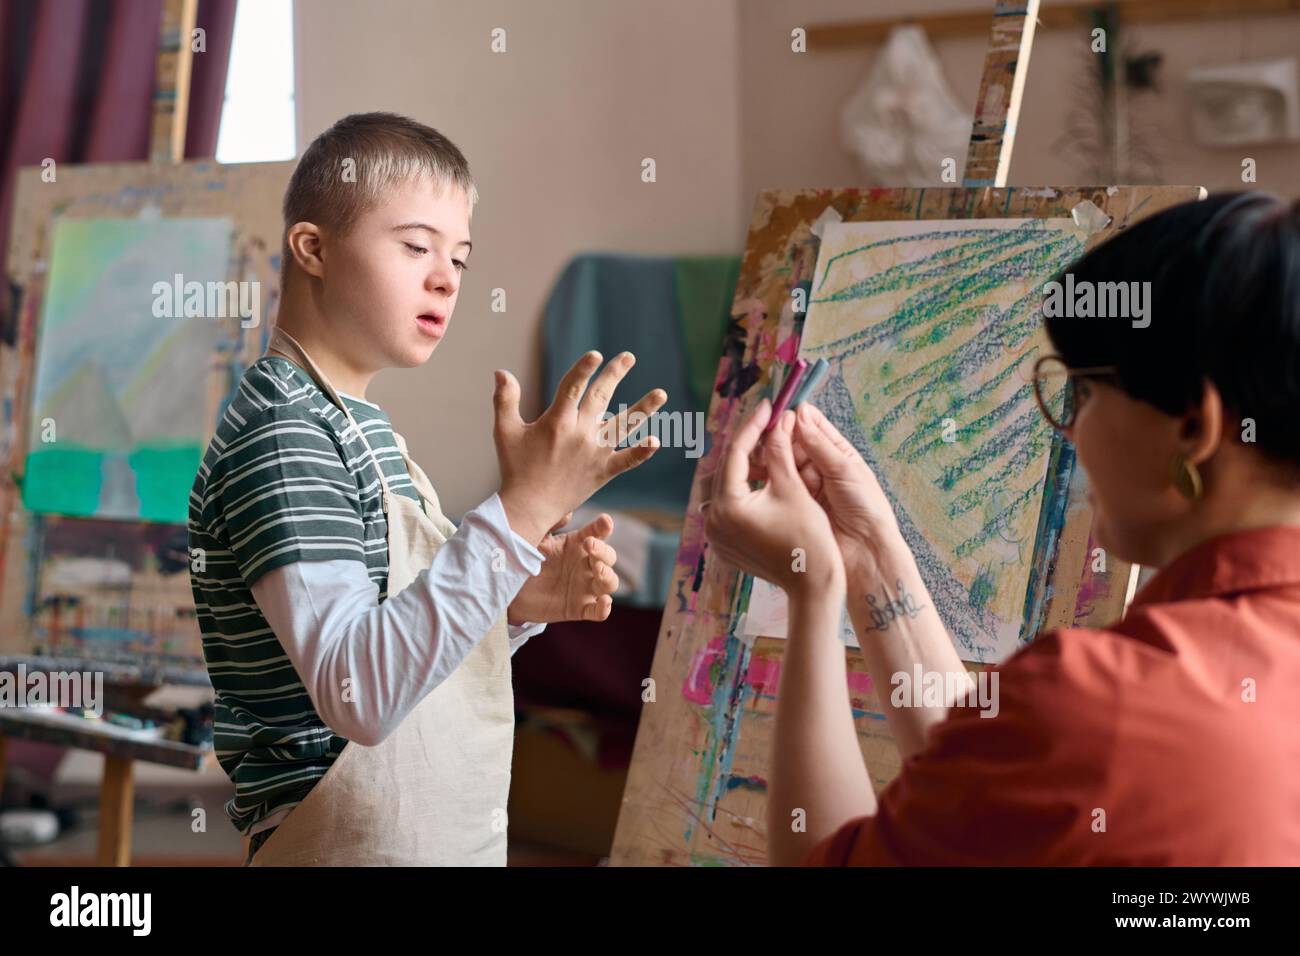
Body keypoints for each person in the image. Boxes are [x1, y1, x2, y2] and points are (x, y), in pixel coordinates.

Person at [703, 192, 1300, 865]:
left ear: (1193, 427)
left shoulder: (1108, 707)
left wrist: (814, 591)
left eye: (1085, 392)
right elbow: (996, 792)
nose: (1066, 428)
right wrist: (869, 553)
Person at [188, 113, 665, 865]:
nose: (445, 276)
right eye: (415, 247)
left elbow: (398, 641)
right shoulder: (283, 436)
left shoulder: (360, 426)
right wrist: (522, 512)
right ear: (312, 248)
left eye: (461, 259)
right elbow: (360, 692)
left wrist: (510, 602)